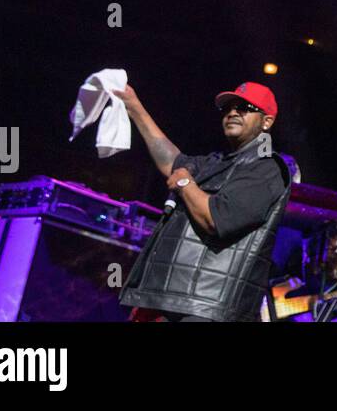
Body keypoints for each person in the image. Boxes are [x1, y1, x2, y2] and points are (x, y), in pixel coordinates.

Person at [115, 80, 291, 322]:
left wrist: (186, 184)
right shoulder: (216, 162)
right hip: (173, 299)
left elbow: (216, 220)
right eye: (228, 108)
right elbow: (172, 163)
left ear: (266, 122)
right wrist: (134, 107)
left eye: (245, 107)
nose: (232, 113)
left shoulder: (266, 168)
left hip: (207, 309)